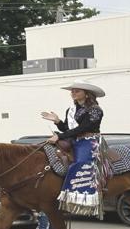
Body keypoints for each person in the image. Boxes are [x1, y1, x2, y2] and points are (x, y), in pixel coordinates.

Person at [43, 81, 105, 215]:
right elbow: (68, 128)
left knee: (81, 164)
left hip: (89, 141)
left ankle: (81, 196)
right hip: (74, 140)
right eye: (72, 91)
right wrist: (58, 122)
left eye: (77, 91)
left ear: (87, 94)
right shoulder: (70, 110)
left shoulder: (95, 110)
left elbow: (83, 128)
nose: (73, 93)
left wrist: (60, 136)